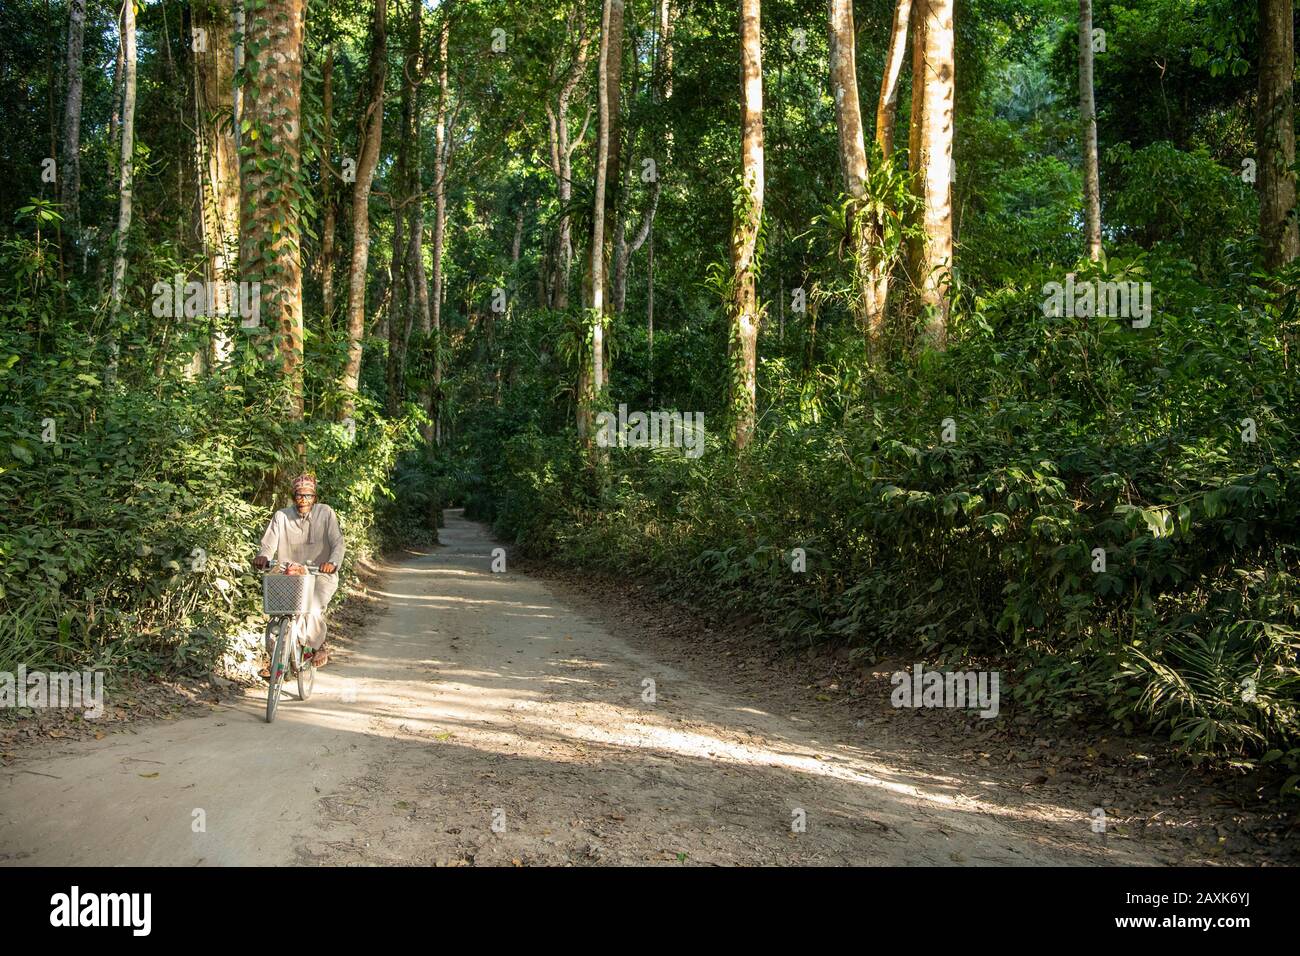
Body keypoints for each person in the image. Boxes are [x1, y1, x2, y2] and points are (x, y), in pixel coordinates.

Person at [253, 473, 344, 673]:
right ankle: (276, 658)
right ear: (293, 496)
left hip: (320, 574)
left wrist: (332, 562)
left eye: (308, 496)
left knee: (310, 606)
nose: (303, 500)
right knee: (277, 614)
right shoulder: (281, 516)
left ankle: (318, 646)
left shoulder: (326, 513)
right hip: (289, 573)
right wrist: (263, 556)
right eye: (299, 495)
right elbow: (268, 544)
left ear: (315, 498)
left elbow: (338, 542)